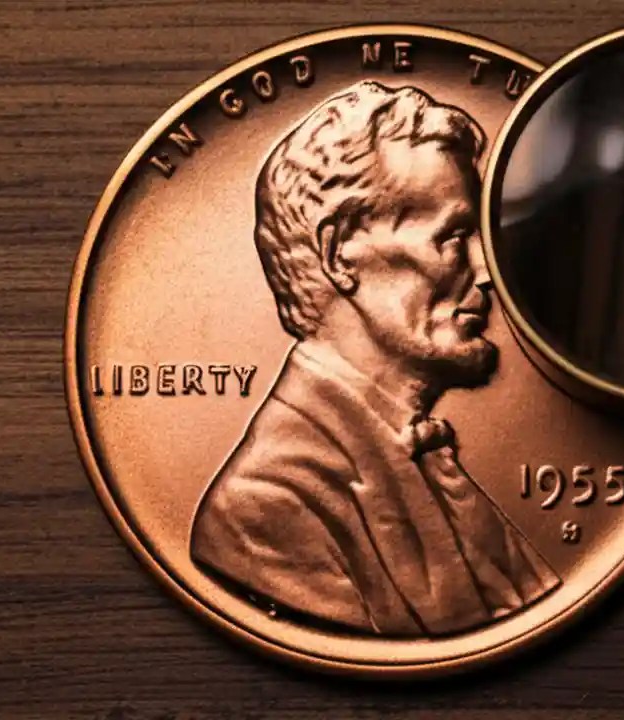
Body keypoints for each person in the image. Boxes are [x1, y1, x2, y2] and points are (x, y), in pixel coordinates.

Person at [190, 81, 559, 637]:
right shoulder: (265, 507)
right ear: (340, 254)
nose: (488, 276)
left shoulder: (424, 455)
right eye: (453, 237)